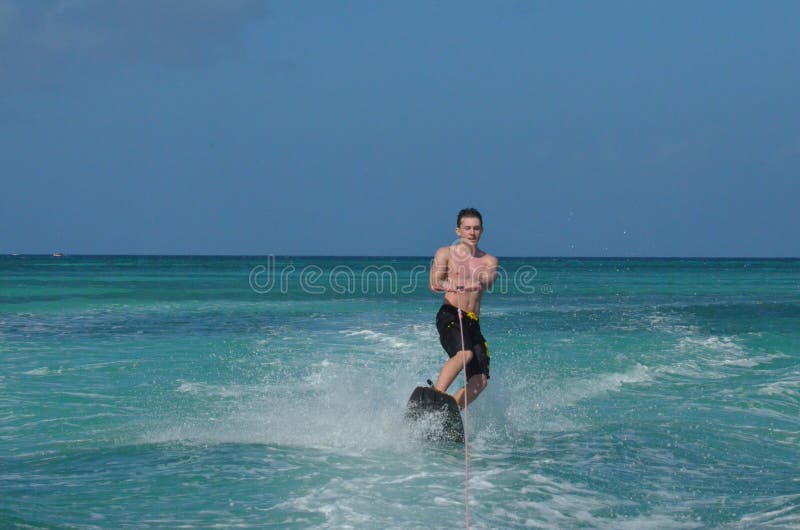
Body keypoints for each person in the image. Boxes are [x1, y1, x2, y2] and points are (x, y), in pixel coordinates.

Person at [429, 208, 498, 409]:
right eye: (467, 228)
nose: (472, 233)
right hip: (450, 314)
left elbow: (489, 280)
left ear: (482, 231)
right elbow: (434, 282)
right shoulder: (445, 253)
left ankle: (450, 409)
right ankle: (437, 396)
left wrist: (479, 277)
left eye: (476, 228)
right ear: (458, 231)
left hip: (472, 322)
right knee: (464, 353)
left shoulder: (488, 261)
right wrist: (450, 285)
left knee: (480, 380)